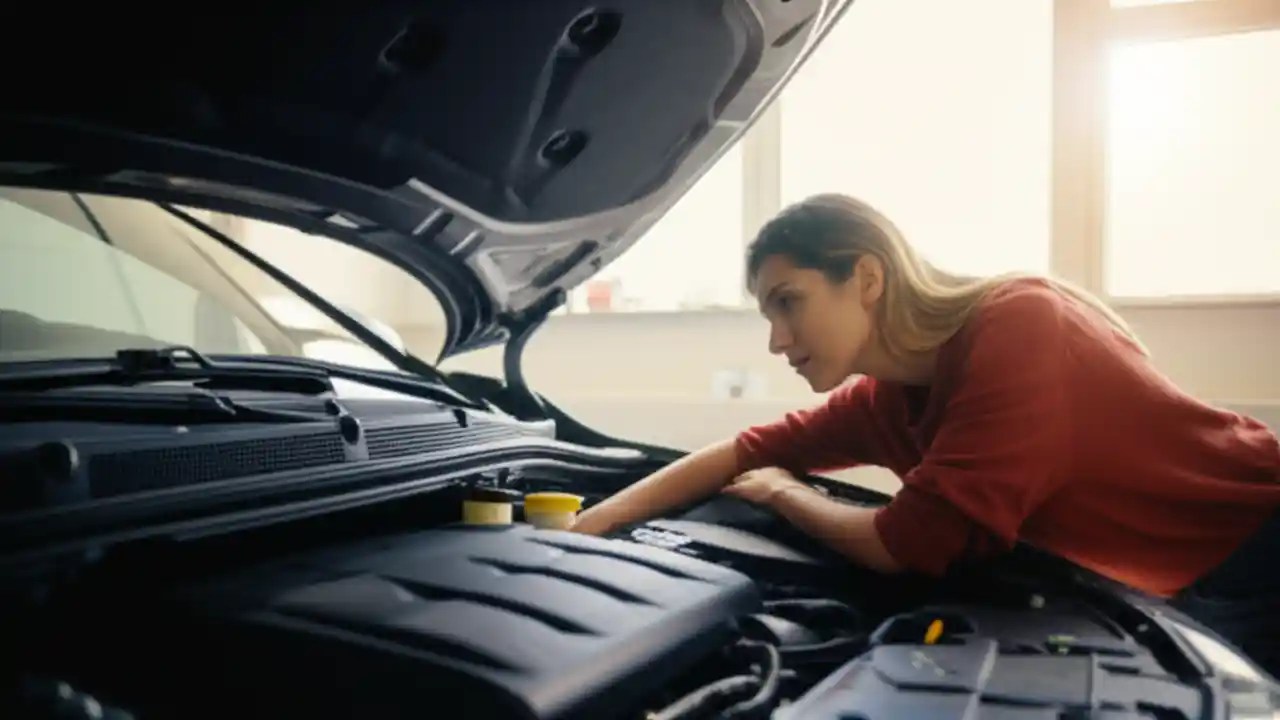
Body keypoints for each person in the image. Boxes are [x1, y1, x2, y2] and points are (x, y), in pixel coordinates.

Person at [570, 193, 1280, 674]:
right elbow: (745, 450)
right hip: (1173, 585)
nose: (777, 341)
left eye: (790, 304)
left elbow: (905, 545)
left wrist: (787, 496)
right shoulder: (888, 400)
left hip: (1260, 549)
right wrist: (588, 526)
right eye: (767, 316)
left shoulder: (1018, 327)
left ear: (867, 277)